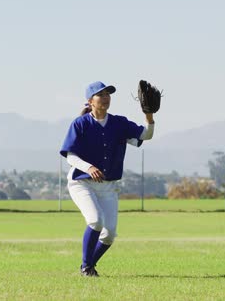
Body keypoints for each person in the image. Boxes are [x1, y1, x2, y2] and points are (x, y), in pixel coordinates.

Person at [60, 81, 155, 277]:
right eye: (100, 94)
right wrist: (89, 167)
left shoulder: (119, 123)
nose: (105, 98)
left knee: (110, 234)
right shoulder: (80, 124)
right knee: (95, 221)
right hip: (82, 183)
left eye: (108, 94)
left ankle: (87, 266)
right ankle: (87, 268)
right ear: (90, 101)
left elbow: (146, 135)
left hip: (108, 186)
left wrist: (149, 117)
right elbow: (70, 155)